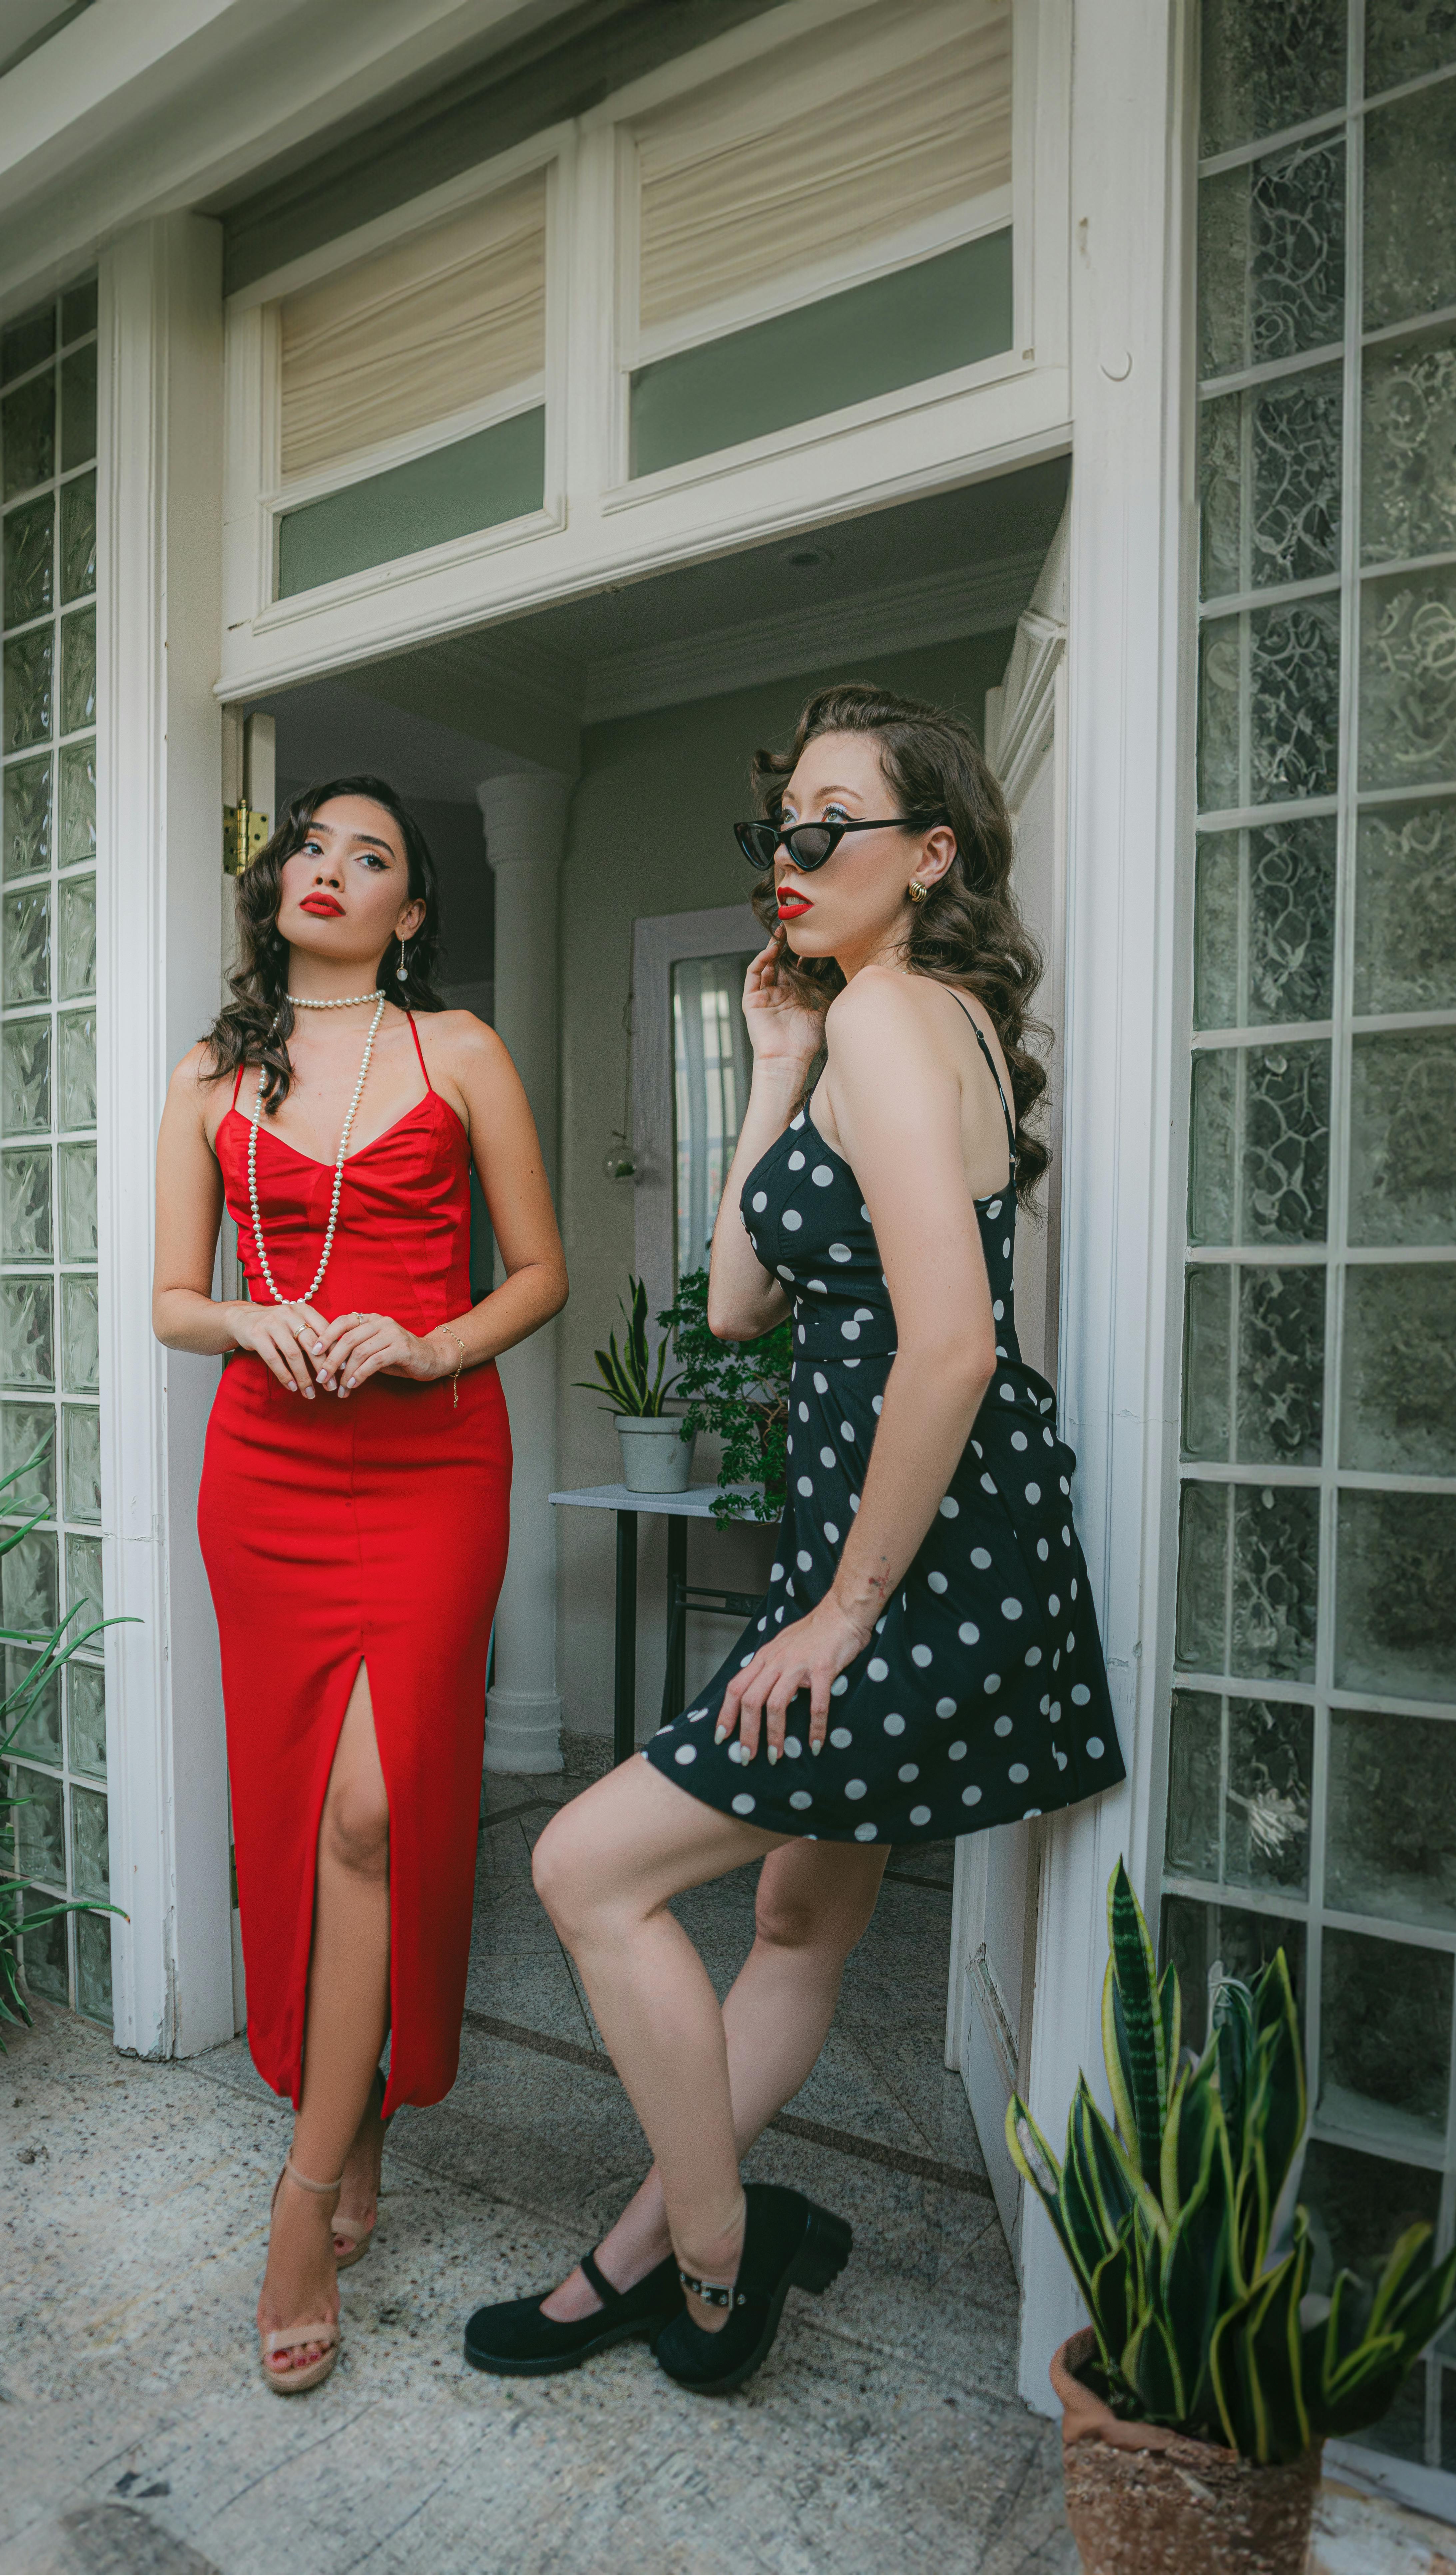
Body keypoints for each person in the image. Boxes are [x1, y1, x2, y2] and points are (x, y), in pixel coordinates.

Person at [465, 685, 1124, 2396]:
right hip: (918, 1537)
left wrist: (842, 1610)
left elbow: (956, 1344)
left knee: (581, 1869)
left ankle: (712, 2261)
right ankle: (636, 2258)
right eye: (781, 826)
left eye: (833, 824)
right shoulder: (876, 1022)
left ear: (932, 854)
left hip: (911, 1560)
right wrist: (767, 1066)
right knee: (797, 1928)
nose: (792, 853)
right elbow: (746, 1304)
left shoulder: (903, 1017)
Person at [153, 774, 566, 2393]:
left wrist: (429, 1342)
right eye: (310, 848)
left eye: (370, 857)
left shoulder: (457, 1054)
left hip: (433, 1465)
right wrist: (258, 1323)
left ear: (412, 913)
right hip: (264, 1474)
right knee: (303, 1814)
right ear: (279, 889)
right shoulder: (210, 1071)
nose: (330, 870)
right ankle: (355, 2106)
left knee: (379, 1817)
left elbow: (538, 1271)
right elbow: (178, 1300)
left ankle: (303, 2192)